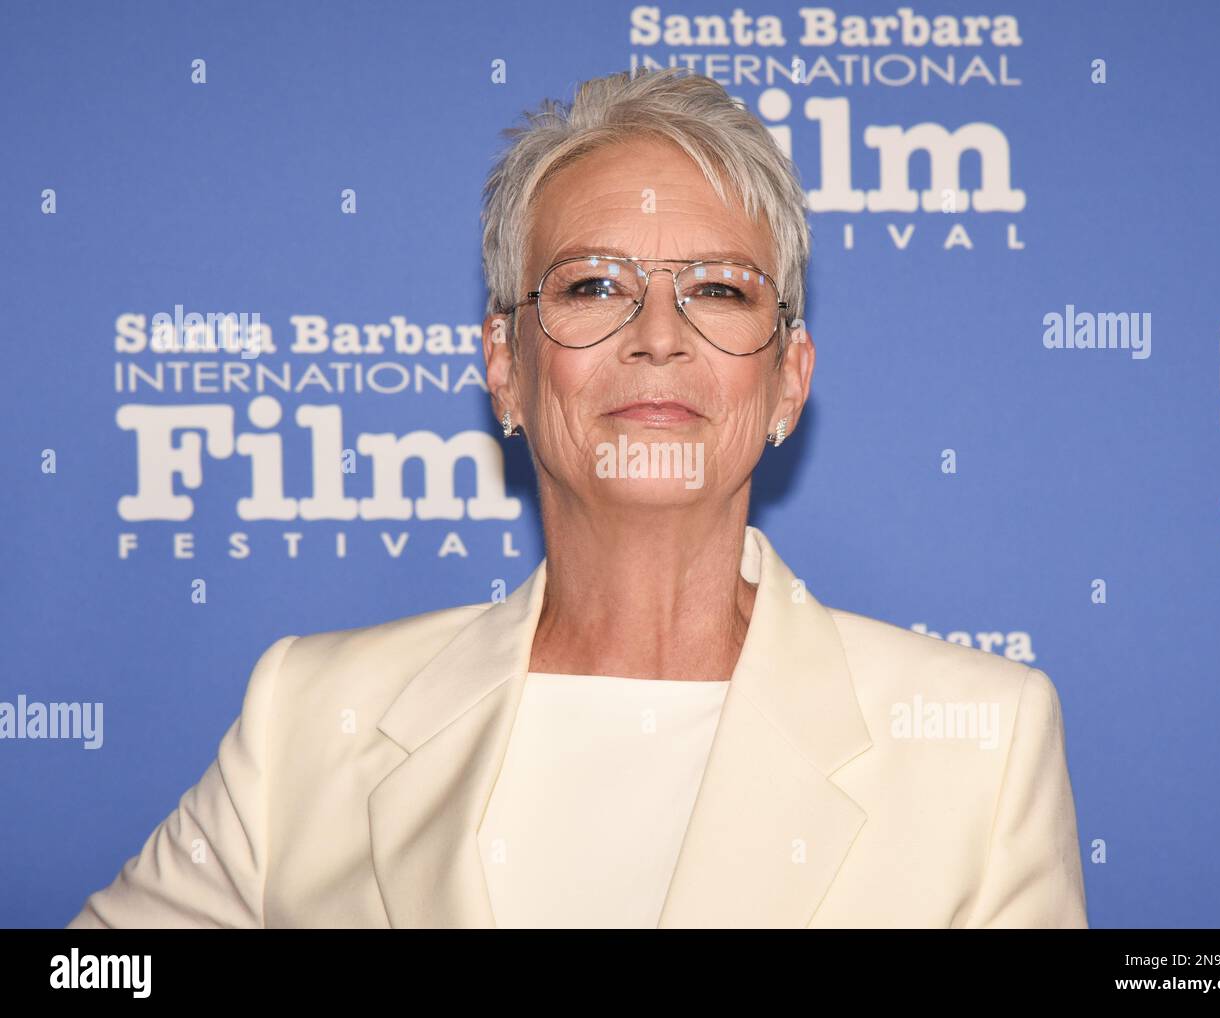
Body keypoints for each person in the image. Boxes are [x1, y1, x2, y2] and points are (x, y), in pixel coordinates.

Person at [66, 67, 1087, 929]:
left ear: (788, 380)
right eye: (594, 285)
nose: (656, 335)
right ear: (505, 365)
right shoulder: (311, 712)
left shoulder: (981, 741)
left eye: (721, 289)